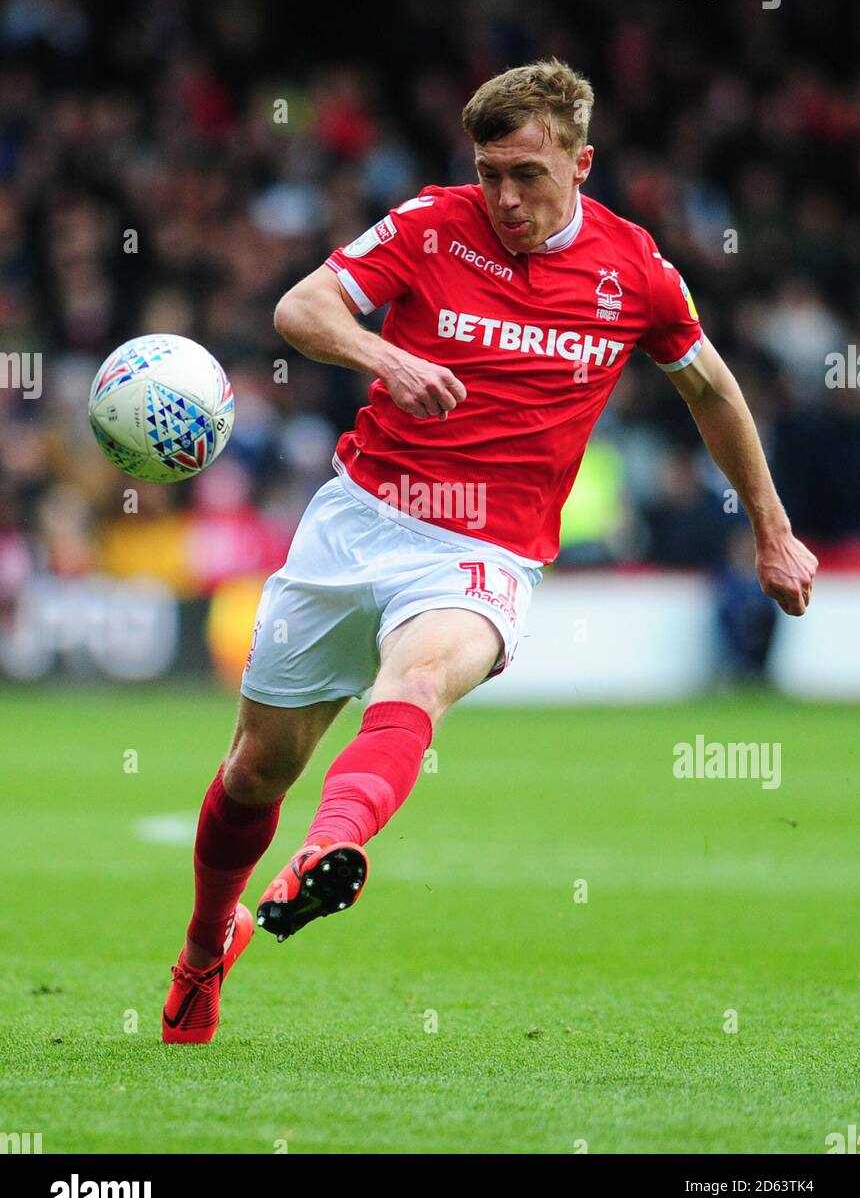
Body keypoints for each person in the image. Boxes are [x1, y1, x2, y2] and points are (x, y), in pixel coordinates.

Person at [162, 59, 818, 1043]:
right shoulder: (431, 223)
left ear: (581, 163)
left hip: (484, 552)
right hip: (359, 520)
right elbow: (300, 308)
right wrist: (388, 353)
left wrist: (773, 529)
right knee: (256, 768)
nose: (503, 197)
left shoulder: (635, 270)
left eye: (526, 174)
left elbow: (714, 390)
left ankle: (330, 849)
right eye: (489, 173)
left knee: (419, 679)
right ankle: (207, 945)